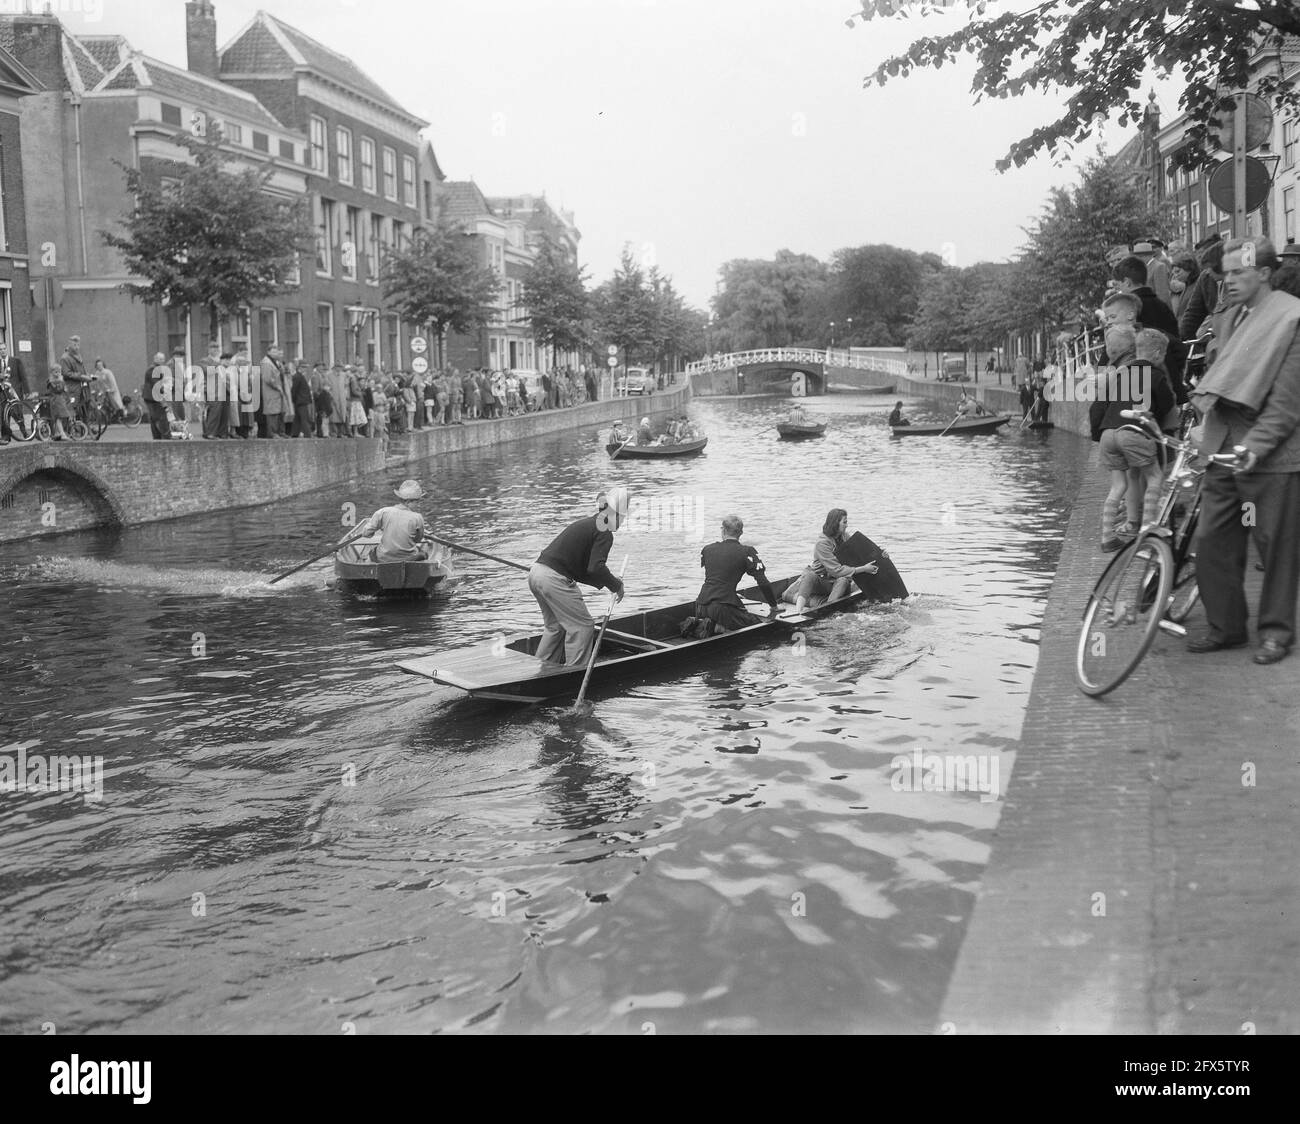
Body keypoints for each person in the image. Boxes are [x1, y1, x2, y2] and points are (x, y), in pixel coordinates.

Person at [1187, 236, 1300, 666]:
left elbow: (1287, 399)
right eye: (1226, 272)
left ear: (1266, 274)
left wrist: (1257, 445)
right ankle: (1227, 626)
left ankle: (1275, 633)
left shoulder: (1291, 318)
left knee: (1274, 546)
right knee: (1214, 540)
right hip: (1223, 448)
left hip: (1270, 455)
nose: (1228, 280)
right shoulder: (1231, 317)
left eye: (1239, 272)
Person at [1089, 324, 1176, 551]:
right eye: (1164, 354)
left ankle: (1107, 538)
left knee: (1118, 485)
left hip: (1108, 434)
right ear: (1157, 354)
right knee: (1155, 476)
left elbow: (1101, 404)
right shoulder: (1156, 376)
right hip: (1133, 432)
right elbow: (1167, 405)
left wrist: (1097, 433)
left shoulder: (1120, 373)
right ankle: (1148, 531)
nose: (1163, 358)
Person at [529, 487, 630, 666]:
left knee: (555, 627)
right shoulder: (604, 530)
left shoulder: (589, 523)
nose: (622, 521)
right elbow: (596, 568)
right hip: (553, 579)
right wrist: (616, 585)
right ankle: (574, 674)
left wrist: (609, 583)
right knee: (582, 626)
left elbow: (585, 570)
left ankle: (542, 671)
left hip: (536, 572)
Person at [1110, 255, 1188, 402]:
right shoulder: (1162, 306)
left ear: (1126, 282)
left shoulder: (1128, 311)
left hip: (1144, 385)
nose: (1118, 291)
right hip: (1170, 381)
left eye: (1118, 286)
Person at [690, 515, 779, 633]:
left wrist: (733, 594)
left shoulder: (707, 549)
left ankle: (701, 623)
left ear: (723, 530)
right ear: (741, 532)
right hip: (723, 608)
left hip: (700, 604)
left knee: (725, 613)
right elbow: (763, 583)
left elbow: (718, 577)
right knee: (758, 626)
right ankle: (717, 628)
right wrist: (774, 606)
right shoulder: (747, 551)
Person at [786, 509, 880, 615]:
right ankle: (798, 612)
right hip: (821, 582)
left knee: (843, 580)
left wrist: (880, 554)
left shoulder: (845, 536)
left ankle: (826, 610)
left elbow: (862, 553)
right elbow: (836, 570)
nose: (847, 525)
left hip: (837, 583)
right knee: (809, 576)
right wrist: (863, 569)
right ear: (835, 524)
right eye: (844, 522)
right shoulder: (822, 544)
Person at [353, 480, 435, 562]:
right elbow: (417, 540)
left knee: (372, 553)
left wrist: (380, 529)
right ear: (408, 502)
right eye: (417, 502)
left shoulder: (382, 512)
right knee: (424, 554)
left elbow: (366, 533)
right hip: (409, 559)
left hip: (383, 558)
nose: (419, 504)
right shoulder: (418, 518)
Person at [144, 352, 172, 440]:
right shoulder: (153, 370)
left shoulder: (154, 369)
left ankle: (157, 437)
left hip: (150, 397)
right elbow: (156, 384)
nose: (162, 361)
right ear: (155, 359)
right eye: (160, 359)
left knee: (154, 418)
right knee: (161, 417)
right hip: (154, 398)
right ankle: (165, 435)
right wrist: (164, 391)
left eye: (163, 359)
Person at [259, 346, 286, 436]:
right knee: (272, 413)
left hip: (277, 392)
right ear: (268, 352)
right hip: (271, 391)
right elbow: (267, 378)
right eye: (273, 352)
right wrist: (277, 386)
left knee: (279, 412)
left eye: (276, 352)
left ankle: (280, 432)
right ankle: (272, 433)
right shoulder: (266, 363)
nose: (275, 354)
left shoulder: (275, 362)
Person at [291, 361, 314, 437]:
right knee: (304, 419)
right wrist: (294, 399)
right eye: (304, 367)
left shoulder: (299, 376)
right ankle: (308, 434)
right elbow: (294, 390)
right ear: (299, 368)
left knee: (297, 418)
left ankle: (294, 434)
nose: (305, 369)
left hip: (300, 401)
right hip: (301, 401)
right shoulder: (297, 377)